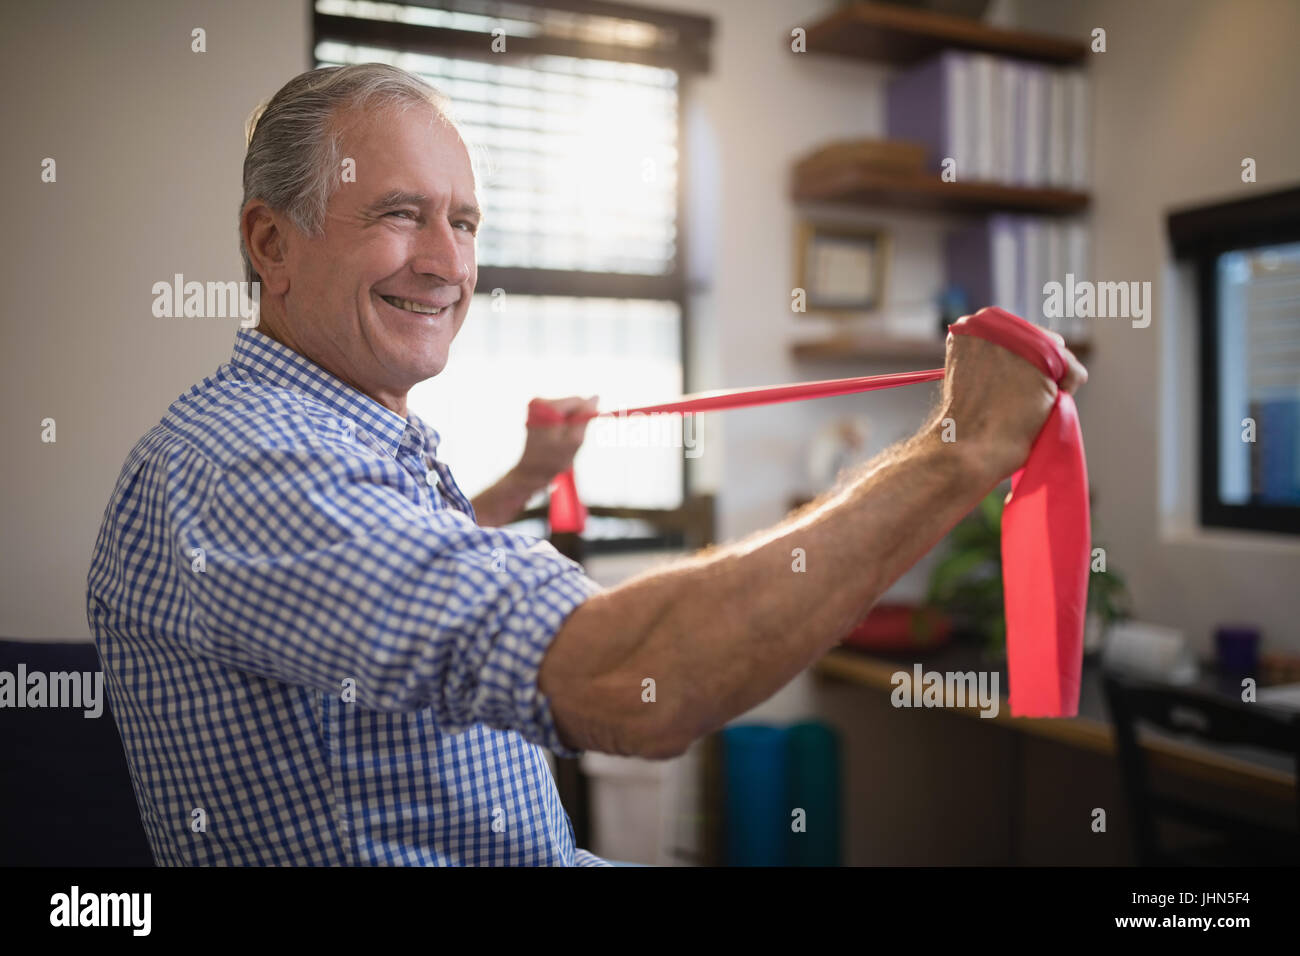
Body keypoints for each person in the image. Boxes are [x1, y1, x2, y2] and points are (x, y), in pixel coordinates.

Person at [87, 63, 1085, 867]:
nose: (447, 261)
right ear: (272, 241)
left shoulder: (314, 443)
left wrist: (524, 479)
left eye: (464, 221)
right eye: (400, 213)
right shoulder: (249, 466)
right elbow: (629, 679)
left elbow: (377, 592)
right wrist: (961, 449)